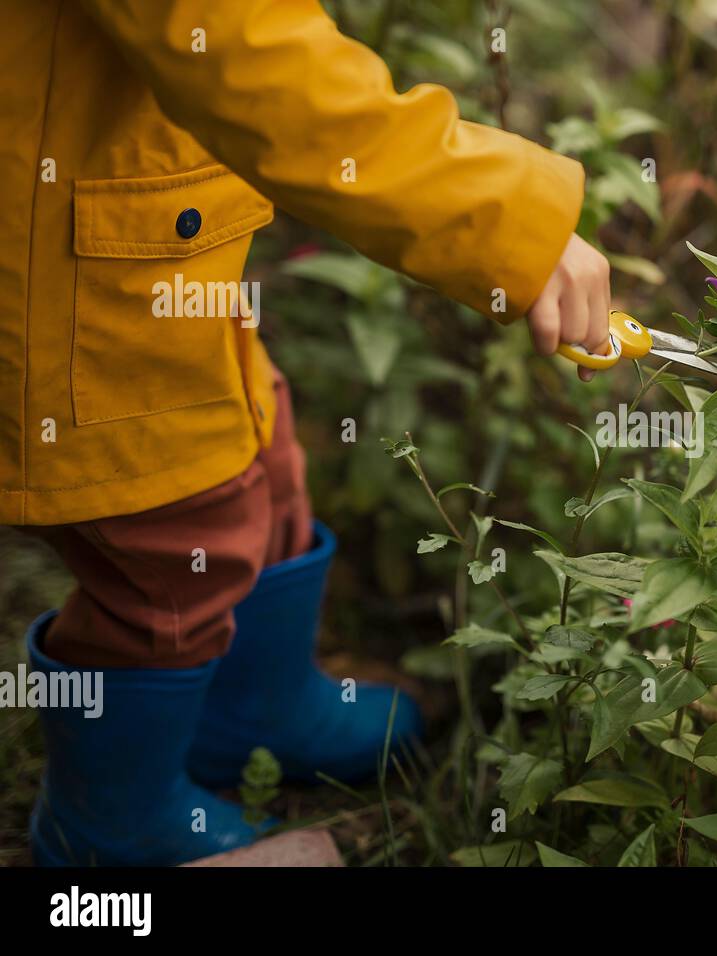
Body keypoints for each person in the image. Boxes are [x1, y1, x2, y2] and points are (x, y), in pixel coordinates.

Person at [0, 0, 611, 866]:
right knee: (173, 552)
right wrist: (504, 217)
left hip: (152, 244)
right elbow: (255, 58)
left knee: (261, 448)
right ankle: (112, 827)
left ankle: (250, 708)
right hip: (65, 291)